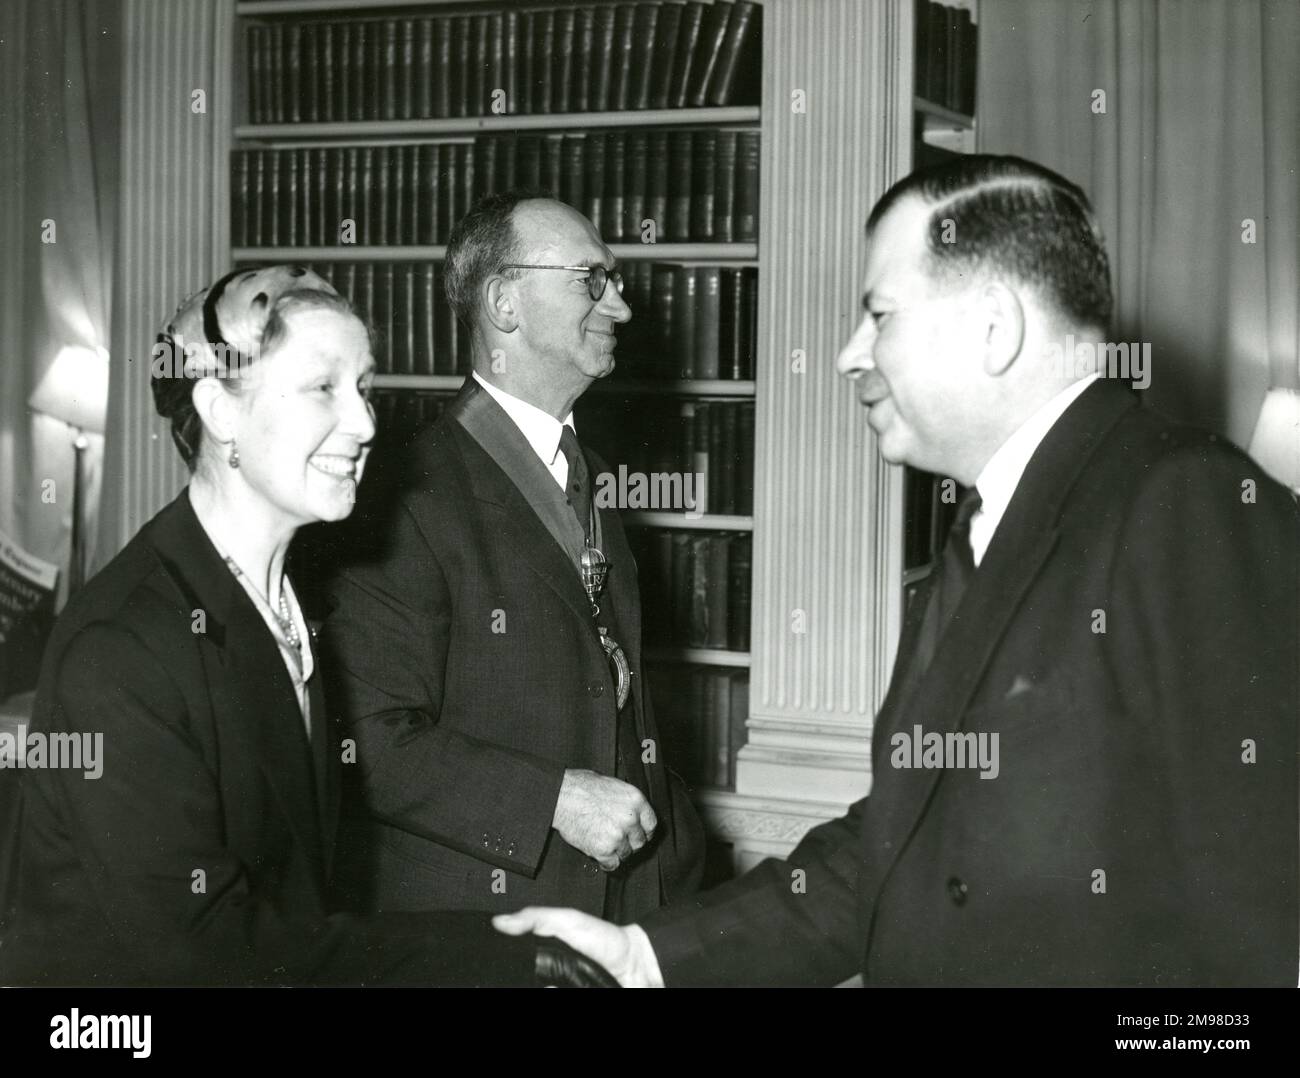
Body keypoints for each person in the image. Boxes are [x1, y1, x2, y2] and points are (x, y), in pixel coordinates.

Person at [496, 155, 1300, 987]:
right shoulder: (986, 526)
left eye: (878, 315)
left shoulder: (1189, 502)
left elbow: (1263, 915)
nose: (849, 355)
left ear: (996, 326)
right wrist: (648, 958)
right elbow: (892, 849)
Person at [2, 265, 609, 986]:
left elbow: (294, 913)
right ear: (220, 413)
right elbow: (211, 957)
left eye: (364, 389)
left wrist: (507, 936)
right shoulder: (125, 649)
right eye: (324, 388)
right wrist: (494, 955)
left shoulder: (287, 607)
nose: (365, 424)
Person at [322, 193, 705, 922]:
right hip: (487, 928)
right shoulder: (400, 498)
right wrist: (554, 799)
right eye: (592, 280)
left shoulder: (591, 474)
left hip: (622, 916)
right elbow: (367, 741)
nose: (620, 306)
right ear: (505, 302)